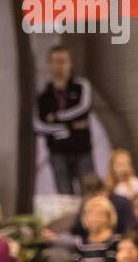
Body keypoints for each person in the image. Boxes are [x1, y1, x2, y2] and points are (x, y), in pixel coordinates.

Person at [33, 45, 94, 195]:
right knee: (64, 194)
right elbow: (39, 126)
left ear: (70, 63)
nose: (59, 65)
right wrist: (66, 128)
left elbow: (83, 108)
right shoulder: (43, 95)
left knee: (90, 189)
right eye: (56, 61)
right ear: (49, 64)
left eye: (63, 61)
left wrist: (57, 117)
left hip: (82, 149)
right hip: (58, 151)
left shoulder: (81, 86)